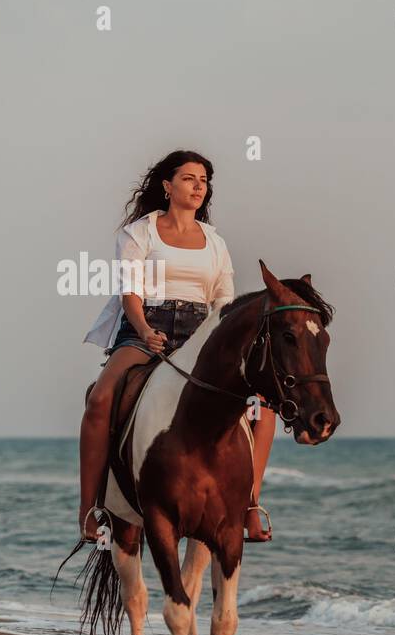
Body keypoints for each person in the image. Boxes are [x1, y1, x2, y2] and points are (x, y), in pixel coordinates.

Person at [78, 149, 275, 543]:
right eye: (189, 178)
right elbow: (130, 292)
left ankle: (249, 506)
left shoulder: (215, 242)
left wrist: (223, 345)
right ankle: (90, 510)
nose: (198, 186)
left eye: (203, 180)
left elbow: (224, 302)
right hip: (146, 328)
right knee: (100, 399)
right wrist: (145, 330)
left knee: (261, 407)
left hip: (201, 333)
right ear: (167, 186)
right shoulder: (140, 233)